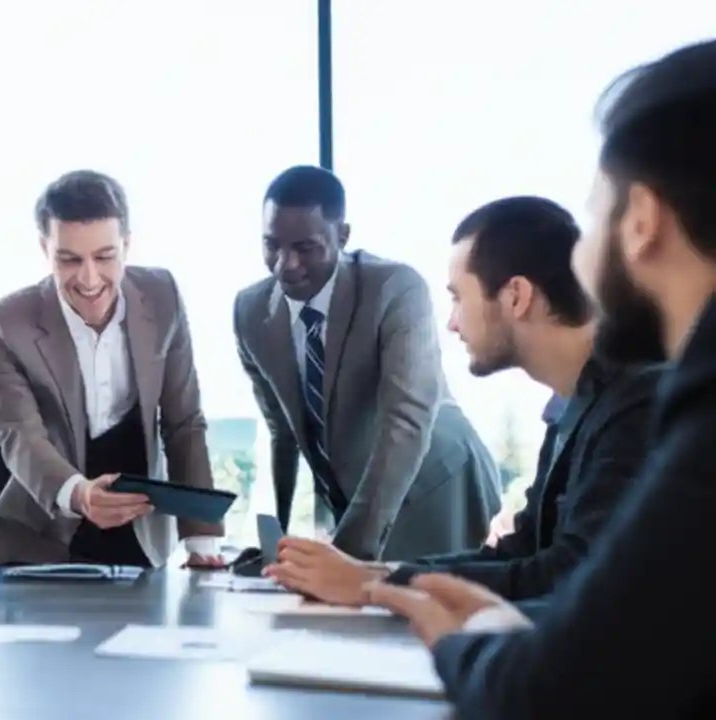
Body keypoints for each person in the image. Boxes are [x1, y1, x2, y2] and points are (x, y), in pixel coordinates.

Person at [370, 39, 716, 717]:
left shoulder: (688, 402)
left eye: (594, 212)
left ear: (641, 222)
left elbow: (552, 690)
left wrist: (465, 638)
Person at [264, 196, 660, 605]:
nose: (452, 323)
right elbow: (521, 551)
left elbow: (572, 575)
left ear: (516, 296)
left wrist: (373, 586)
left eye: (457, 297)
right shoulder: (571, 404)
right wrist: (374, 574)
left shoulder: (635, 405)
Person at [233, 165, 501, 561]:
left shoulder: (394, 288)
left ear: (342, 236)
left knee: (422, 597)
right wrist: (275, 541)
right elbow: (282, 430)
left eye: (305, 248)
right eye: (272, 245)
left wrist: (348, 553)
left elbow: (405, 421)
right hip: (358, 495)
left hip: (435, 482)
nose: (285, 264)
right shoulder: (251, 310)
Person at [0, 169, 224, 568]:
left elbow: (184, 423)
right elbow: (20, 436)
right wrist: (79, 494)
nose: (89, 279)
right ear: (44, 248)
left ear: (127, 244)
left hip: (142, 538)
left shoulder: (162, 297)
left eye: (105, 257)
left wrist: (200, 539)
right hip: (38, 542)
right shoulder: (2, 326)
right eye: (69, 259)